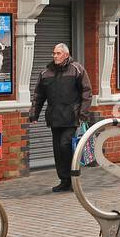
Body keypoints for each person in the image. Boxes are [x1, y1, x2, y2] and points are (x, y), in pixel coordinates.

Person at [31, 43, 93, 192]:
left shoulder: (77, 69)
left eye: (58, 53)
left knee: (65, 145)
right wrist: (34, 114)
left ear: (66, 54)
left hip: (72, 117)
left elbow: (86, 92)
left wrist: (83, 114)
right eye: (54, 53)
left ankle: (73, 178)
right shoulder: (46, 72)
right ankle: (64, 180)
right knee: (58, 150)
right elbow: (39, 95)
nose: (55, 56)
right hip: (55, 118)